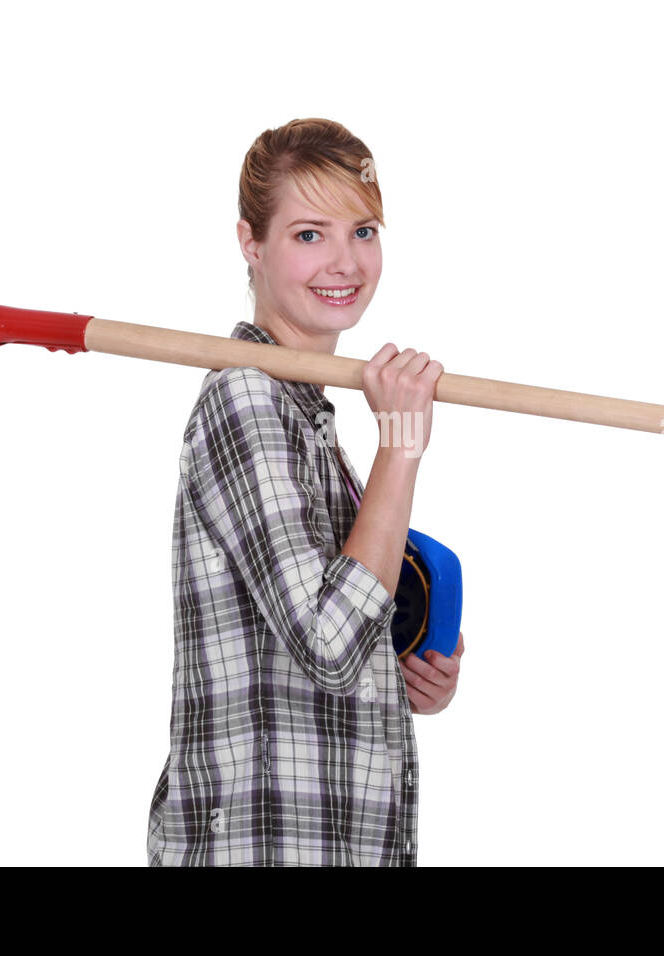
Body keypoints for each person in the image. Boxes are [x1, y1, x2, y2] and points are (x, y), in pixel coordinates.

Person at [146, 118, 464, 867]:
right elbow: (329, 644)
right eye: (309, 235)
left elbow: (338, 642)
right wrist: (402, 446)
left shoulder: (306, 416)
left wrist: (408, 668)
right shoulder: (247, 403)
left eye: (364, 229)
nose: (346, 262)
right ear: (250, 243)